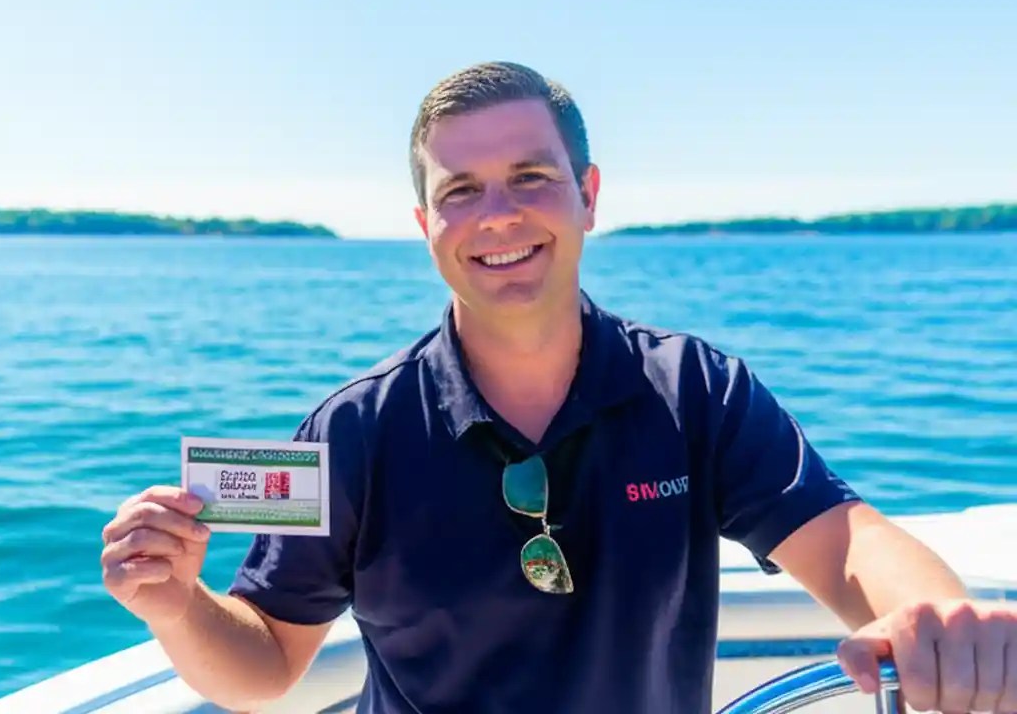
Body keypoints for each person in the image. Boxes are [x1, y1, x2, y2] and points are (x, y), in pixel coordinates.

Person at [100, 62, 1017, 713]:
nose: (497, 215)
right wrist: (178, 604)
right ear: (425, 223)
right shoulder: (355, 432)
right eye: (461, 190)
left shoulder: (695, 389)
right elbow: (263, 667)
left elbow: (845, 540)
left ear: (588, 194)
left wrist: (941, 620)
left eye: (530, 177)